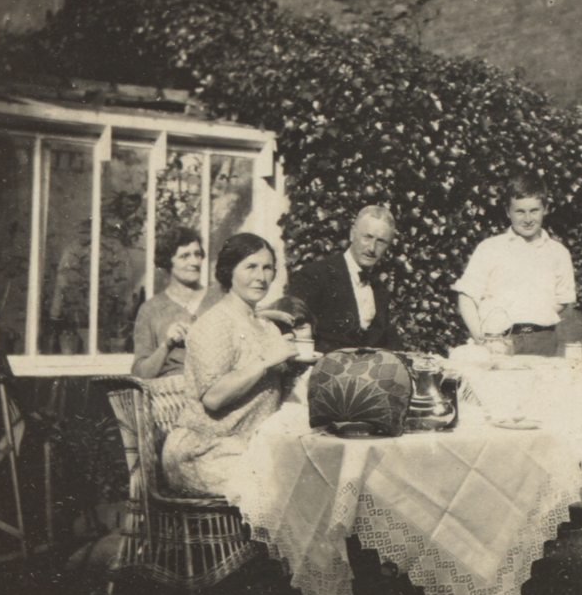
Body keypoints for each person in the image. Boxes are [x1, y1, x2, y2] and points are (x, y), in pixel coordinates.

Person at [161, 233, 299, 497]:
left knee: (311, 476)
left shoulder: (268, 327)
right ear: (229, 272)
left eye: (267, 267)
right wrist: (268, 359)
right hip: (204, 453)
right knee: (282, 490)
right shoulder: (214, 323)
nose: (261, 276)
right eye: (251, 267)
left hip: (252, 448)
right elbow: (213, 397)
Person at [453, 172, 576, 357]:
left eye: (534, 210)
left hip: (542, 340)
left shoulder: (558, 252)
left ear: (545, 208)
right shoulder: (490, 248)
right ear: (507, 211)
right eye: (520, 211)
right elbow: (466, 297)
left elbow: (563, 298)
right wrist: (481, 340)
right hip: (498, 340)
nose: (527, 219)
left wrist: (533, 313)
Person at [285, 206, 403, 354]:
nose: (372, 248)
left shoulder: (380, 291)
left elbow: (391, 344)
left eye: (381, 241)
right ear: (352, 234)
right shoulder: (314, 275)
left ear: (388, 245)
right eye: (367, 237)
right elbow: (293, 336)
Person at [131, 227, 221, 379]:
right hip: (172, 398)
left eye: (197, 254)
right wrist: (166, 345)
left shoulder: (220, 298)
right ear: (167, 261)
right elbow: (141, 373)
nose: (194, 262)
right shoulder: (150, 310)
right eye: (184, 256)